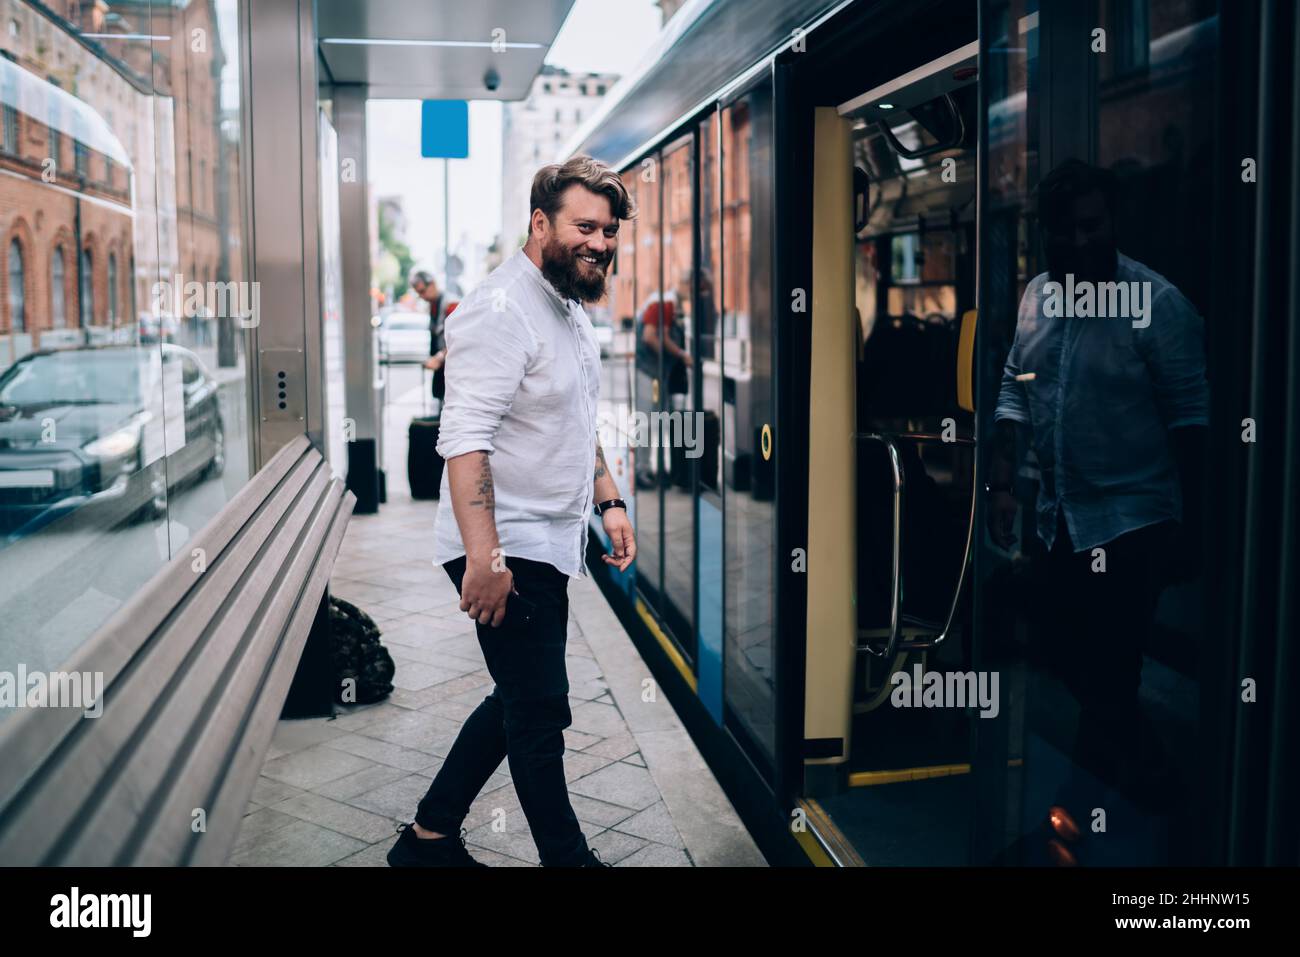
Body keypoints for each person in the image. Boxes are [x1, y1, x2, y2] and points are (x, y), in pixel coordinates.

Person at [388, 156, 638, 868]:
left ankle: (429, 838)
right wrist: (487, 558)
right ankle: (570, 859)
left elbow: (575, 417)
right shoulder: (500, 310)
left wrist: (608, 499)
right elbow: (463, 441)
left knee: (517, 696)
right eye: (583, 226)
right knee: (538, 712)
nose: (599, 241)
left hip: (548, 540)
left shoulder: (562, 304)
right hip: (507, 543)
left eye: (608, 230)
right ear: (540, 223)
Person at [988, 159, 1209, 856]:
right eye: (1067, 229)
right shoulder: (1037, 297)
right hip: (1062, 517)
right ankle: (1138, 801)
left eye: (1094, 225)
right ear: (1047, 234)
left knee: (1108, 673)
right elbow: (1014, 388)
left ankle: (1116, 814)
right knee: (1068, 658)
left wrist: (1192, 530)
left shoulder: (1159, 304)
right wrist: (999, 482)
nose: (1081, 241)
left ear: (1113, 222)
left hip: (1133, 521)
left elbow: (1194, 420)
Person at [409, 267, 449, 407]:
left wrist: (439, 357)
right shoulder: (434, 305)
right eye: (418, 293)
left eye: (422, 291)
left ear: (432, 284)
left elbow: (461, 340)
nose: (422, 296)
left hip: (450, 369)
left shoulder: (450, 304)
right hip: (442, 369)